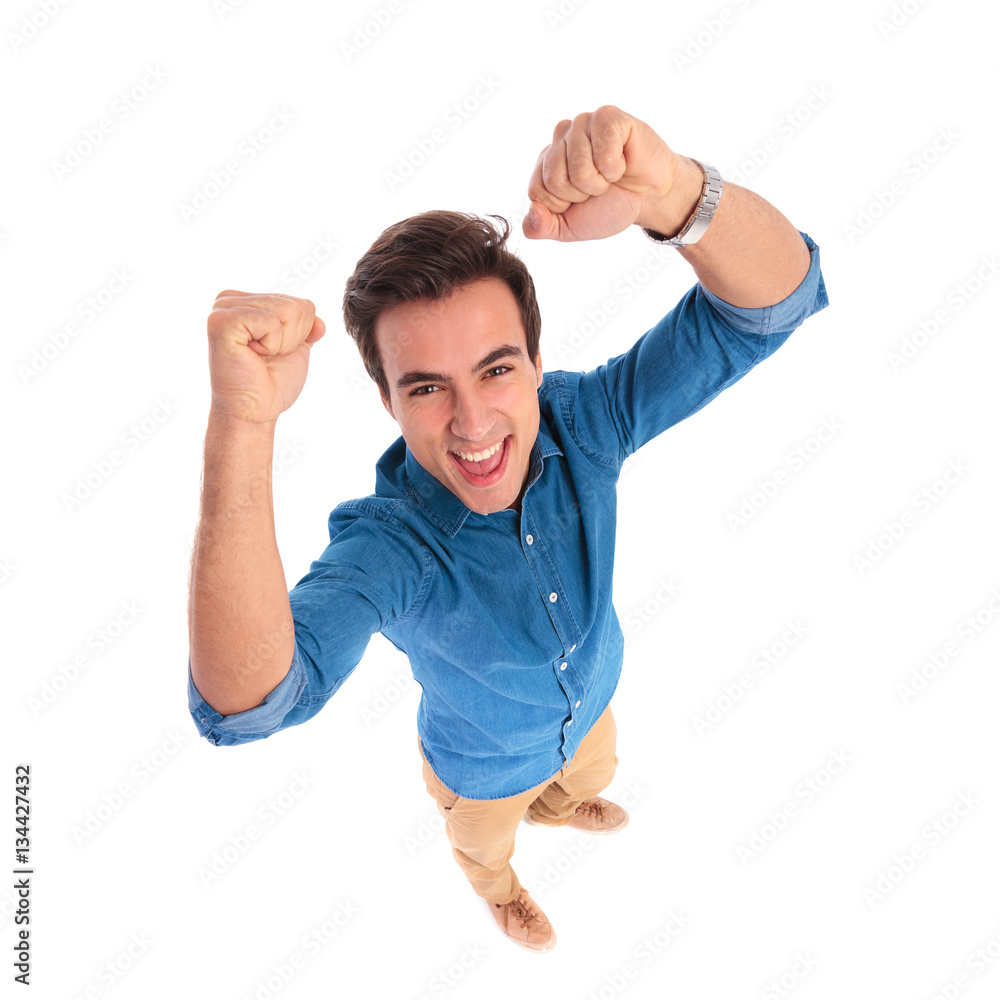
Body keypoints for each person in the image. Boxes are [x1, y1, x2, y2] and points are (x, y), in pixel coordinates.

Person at [186, 104, 829, 953]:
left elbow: (774, 305)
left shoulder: (585, 420)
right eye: (426, 388)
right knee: (485, 848)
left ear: (533, 361)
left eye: (497, 370)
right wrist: (244, 425)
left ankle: (565, 802)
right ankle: (499, 889)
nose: (474, 422)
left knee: (587, 778)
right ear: (388, 402)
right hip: (480, 776)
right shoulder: (389, 548)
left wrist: (670, 191)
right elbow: (251, 703)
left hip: (594, 711)